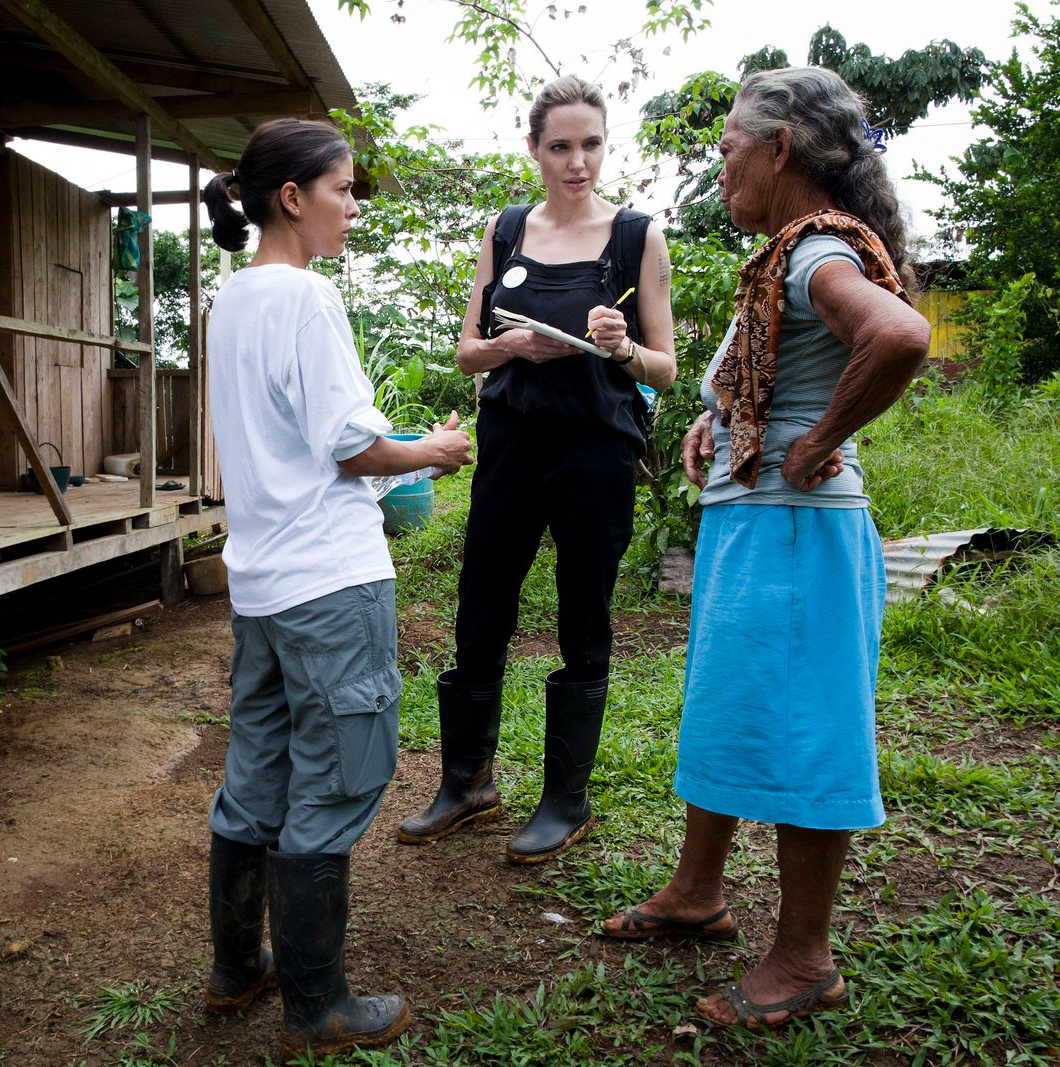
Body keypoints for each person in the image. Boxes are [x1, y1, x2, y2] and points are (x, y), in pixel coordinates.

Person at [600, 67, 931, 1030]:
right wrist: (722, 422)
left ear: (780, 149)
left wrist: (819, 439)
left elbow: (901, 338)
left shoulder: (816, 250)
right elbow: (769, 379)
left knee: (805, 729)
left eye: (730, 152)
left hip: (796, 533)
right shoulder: (790, 251)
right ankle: (697, 890)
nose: (722, 171)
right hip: (760, 526)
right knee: (731, 708)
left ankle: (804, 955)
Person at [198, 118, 474, 1056]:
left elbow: (287, 441)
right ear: (292, 197)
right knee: (342, 770)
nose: (353, 206)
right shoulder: (307, 301)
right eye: (343, 189)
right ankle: (316, 1006)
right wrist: (433, 451)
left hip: (262, 582)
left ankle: (237, 967)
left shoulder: (229, 302)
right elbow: (352, 448)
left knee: (257, 771)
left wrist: (397, 454)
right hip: (331, 582)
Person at [397, 75, 677, 863]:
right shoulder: (508, 228)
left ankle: (566, 799)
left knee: (582, 614)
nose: (577, 161)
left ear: (604, 145)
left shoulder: (635, 236)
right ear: (534, 149)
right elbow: (466, 350)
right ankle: (468, 783)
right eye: (560, 146)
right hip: (512, 443)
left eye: (590, 144)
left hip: (595, 448)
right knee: (481, 603)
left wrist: (622, 348)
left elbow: (666, 367)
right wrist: (508, 346)